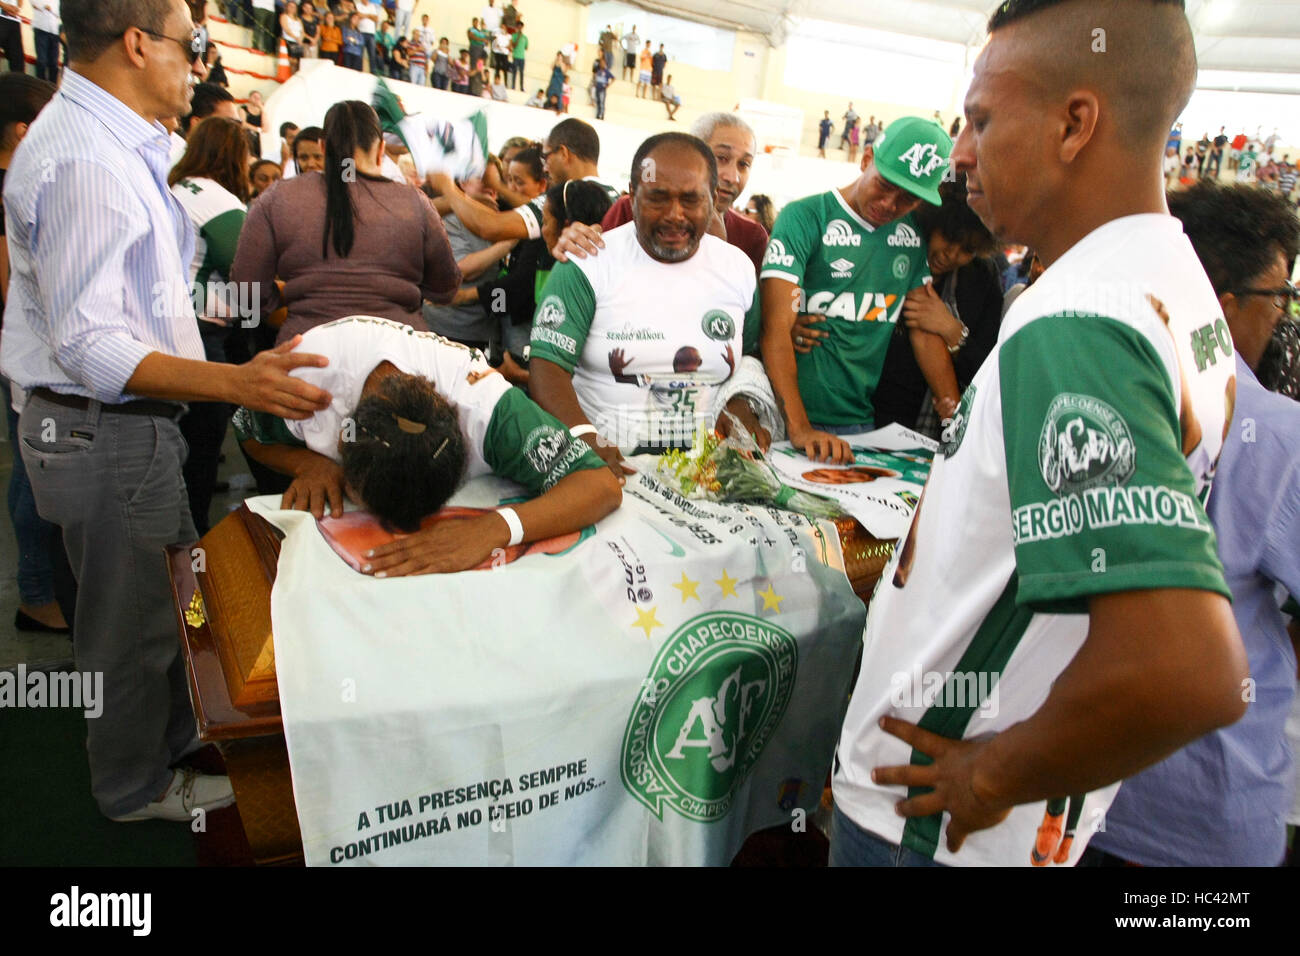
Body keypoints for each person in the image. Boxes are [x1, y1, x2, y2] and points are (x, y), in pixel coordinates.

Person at [831, 0, 1245, 868]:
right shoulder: (1168, 283)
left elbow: (1185, 667)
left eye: (981, 119)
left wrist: (991, 775)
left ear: (1074, 123)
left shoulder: (1081, 319)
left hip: (931, 830)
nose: (960, 154)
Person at [1, 0, 331, 824]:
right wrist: (238, 383)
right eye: (194, 45)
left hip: (123, 430)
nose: (203, 63)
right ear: (138, 42)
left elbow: (127, 297)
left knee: (162, 608)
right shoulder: (87, 161)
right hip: (103, 426)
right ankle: (134, 789)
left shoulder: (114, 143)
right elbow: (91, 347)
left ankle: (173, 738)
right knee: (130, 628)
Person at [1084, 182, 1300, 867]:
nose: (1285, 317)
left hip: (1068, 790)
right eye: (1280, 297)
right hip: (1203, 819)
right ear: (1225, 304)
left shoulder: (1082, 390)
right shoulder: (1278, 438)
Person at [233, 316, 621, 571]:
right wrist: (308, 465)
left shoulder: (490, 409)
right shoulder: (306, 380)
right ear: (340, 438)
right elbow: (246, 430)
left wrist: (492, 530)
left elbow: (599, 485)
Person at [528, 133, 772, 477]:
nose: (675, 215)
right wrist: (585, 439)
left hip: (708, 476)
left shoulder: (739, 269)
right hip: (606, 472)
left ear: (713, 199)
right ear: (632, 194)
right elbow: (547, 367)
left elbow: (750, 354)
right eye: (657, 198)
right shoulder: (586, 262)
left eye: (691, 199)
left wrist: (741, 405)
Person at [760, 117, 956, 462]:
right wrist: (800, 426)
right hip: (784, 418)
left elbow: (923, 331)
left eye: (909, 199)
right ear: (866, 159)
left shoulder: (909, 236)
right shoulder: (805, 217)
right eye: (884, 184)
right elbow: (775, 328)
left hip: (858, 427)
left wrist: (954, 418)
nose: (890, 204)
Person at [232, 100, 461, 343]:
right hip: (397, 351)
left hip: (306, 351)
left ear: (323, 146)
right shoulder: (415, 202)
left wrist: (289, 302)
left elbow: (246, 289)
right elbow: (446, 288)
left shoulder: (278, 197)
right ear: (381, 149)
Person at [815, 176, 1002, 439]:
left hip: (932, 432)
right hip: (861, 419)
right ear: (932, 222)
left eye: (967, 249)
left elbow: (990, 371)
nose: (951, 254)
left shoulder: (980, 281)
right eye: (949, 237)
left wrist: (951, 330)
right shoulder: (887, 250)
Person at [1, 73, 67, 637]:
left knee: (31, 478)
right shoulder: (15, 183)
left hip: (22, 357)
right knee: (31, 481)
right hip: (27, 360)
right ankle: (38, 594)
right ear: (24, 130)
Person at [168, 116, 253, 534]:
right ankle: (192, 544)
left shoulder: (174, 188)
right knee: (200, 447)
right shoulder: (218, 201)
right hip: (202, 333)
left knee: (181, 446)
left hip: (169, 323)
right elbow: (247, 271)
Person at [561, 113, 768, 273]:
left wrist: (718, 254)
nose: (733, 176)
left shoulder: (753, 237)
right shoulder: (629, 209)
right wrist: (576, 243)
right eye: (722, 157)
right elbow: (596, 267)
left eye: (744, 164)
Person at [433, 118, 619, 244]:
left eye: (546, 157)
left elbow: (490, 227)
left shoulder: (566, 195)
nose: (545, 168)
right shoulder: (616, 196)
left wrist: (446, 186)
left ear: (563, 153)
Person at [424, 171, 515, 352]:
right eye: (484, 178)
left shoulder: (504, 214)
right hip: (450, 331)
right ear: (464, 182)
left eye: (497, 180)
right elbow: (461, 270)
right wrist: (512, 238)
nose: (491, 185)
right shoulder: (450, 219)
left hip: (487, 330)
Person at [32, 0, 62, 82]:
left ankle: (52, 88)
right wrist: (45, 6)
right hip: (41, 28)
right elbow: (34, 3)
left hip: (54, 31)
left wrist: (50, 8)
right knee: (42, 61)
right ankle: (40, 86)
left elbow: (60, 12)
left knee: (54, 63)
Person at [242, 88, 266, 157]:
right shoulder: (243, 109)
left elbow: (266, 128)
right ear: (249, 98)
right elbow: (243, 123)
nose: (257, 99)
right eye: (254, 97)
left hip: (258, 140)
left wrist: (262, 109)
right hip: (247, 136)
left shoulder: (261, 112)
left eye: (259, 98)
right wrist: (257, 129)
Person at [592, 57, 614, 121]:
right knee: (598, 101)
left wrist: (608, 85)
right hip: (597, 88)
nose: (602, 64)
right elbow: (595, 77)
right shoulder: (598, 70)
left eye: (603, 63)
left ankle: (602, 115)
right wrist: (595, 82)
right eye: (601, 63)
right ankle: (598, 114)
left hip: (602, 89)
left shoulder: (606, 72)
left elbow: (613, 78)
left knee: (602, 102)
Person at [509, 24, 527, 91]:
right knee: (514, 71)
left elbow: (526, 47)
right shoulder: (514, 36)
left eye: (521, 27)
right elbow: (513, 45)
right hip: (515, 56)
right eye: (519, 27)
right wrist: (518, 37)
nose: (520, 29)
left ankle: (521, 87)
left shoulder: (525, 37)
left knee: (522, 73)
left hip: (522, 57)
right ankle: (513, 86)